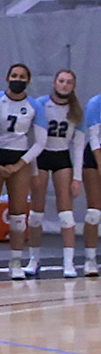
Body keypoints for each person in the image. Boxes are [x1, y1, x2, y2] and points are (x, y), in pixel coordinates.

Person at [0, 64, 42, 279]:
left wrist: (19, 165)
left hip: (20, 158)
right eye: (14, 75)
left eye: (22, 76)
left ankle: (16, 261)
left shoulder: (34, 105)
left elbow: (40, 142)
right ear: (7, 77)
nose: (17, 79)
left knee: (18, 215)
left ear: (28, 80)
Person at [27, 70, 84, 278]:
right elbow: (31, 134)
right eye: (61, 81)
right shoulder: (40, 104)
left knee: (66, 212)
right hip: (41, 156)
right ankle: (33, 259)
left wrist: (77, 178)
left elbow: (78, 145)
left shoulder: (76, 110)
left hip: (61, 158)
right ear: (54, 83)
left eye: (69, 82)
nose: (64, 85)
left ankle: (68, 262)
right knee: (36, 212)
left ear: (73, 87)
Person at [85, 86, 101, 276]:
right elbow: (94, 137)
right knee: (94, 210)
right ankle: (90, 259)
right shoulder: (95, 103)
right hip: (95, 155)